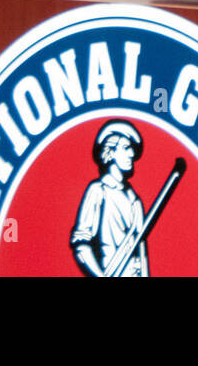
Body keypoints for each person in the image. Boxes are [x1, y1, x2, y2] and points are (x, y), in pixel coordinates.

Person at [71, 119, 149, 277]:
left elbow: (142, 253)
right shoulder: (98, 190)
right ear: (110, 152)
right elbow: (81, 245)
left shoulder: (135, 201)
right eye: (126, 148)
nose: (132, 154)